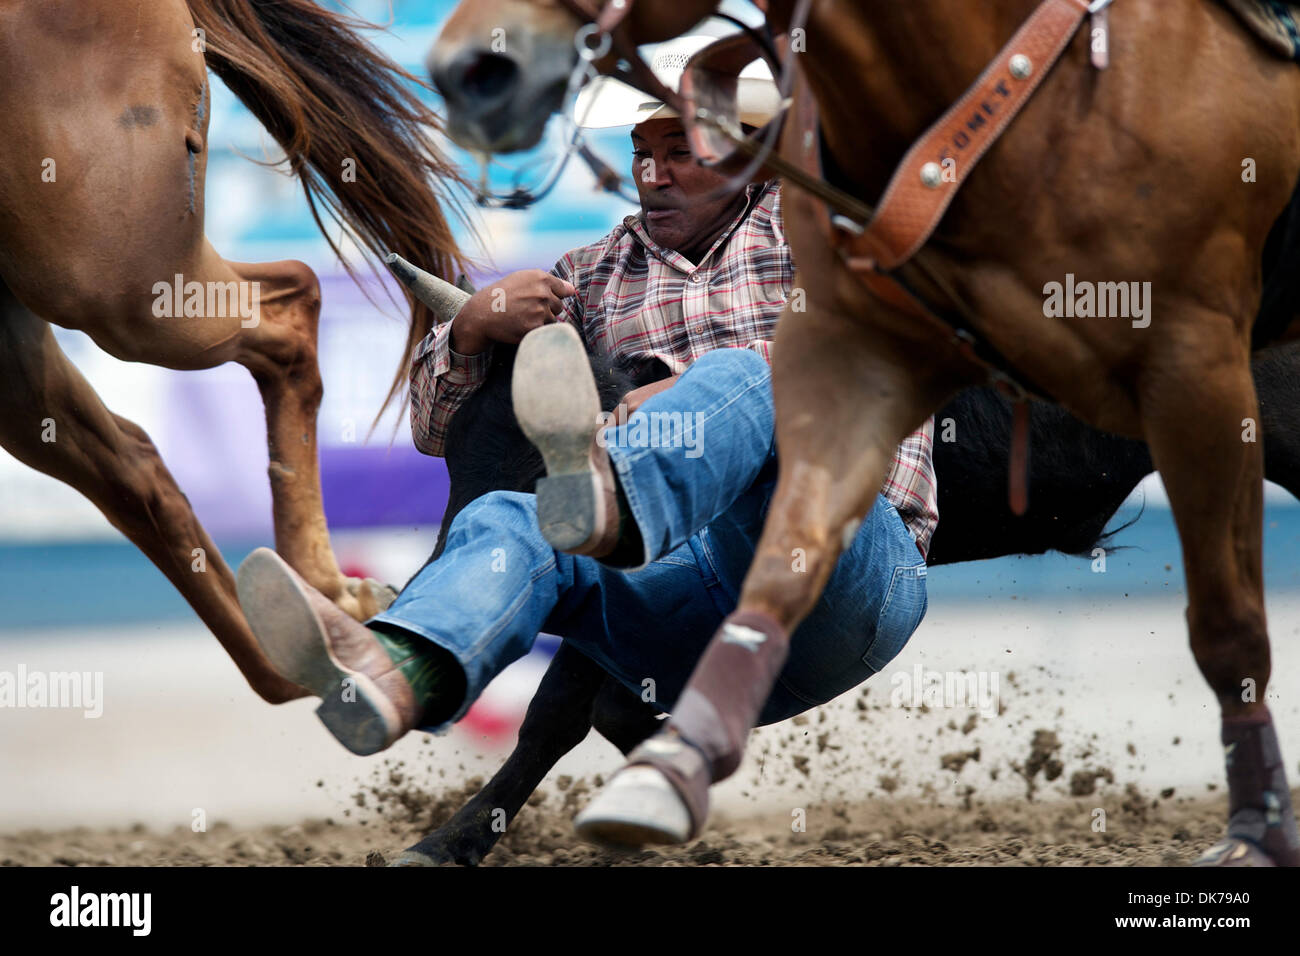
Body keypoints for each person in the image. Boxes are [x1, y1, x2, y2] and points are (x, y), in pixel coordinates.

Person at [236, 36, 937, 842]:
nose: (651, 174)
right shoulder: (591, 276)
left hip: (845, 570)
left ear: (750, 155)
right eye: (640, 153)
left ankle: (614, 502)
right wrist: (468, 330)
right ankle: (396, 671)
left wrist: (692, 393)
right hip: (674, 615)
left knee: (744, 378)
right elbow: (438, 434)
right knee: (506, 517)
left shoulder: (821, 231)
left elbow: (890, 352)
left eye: (680, 151)